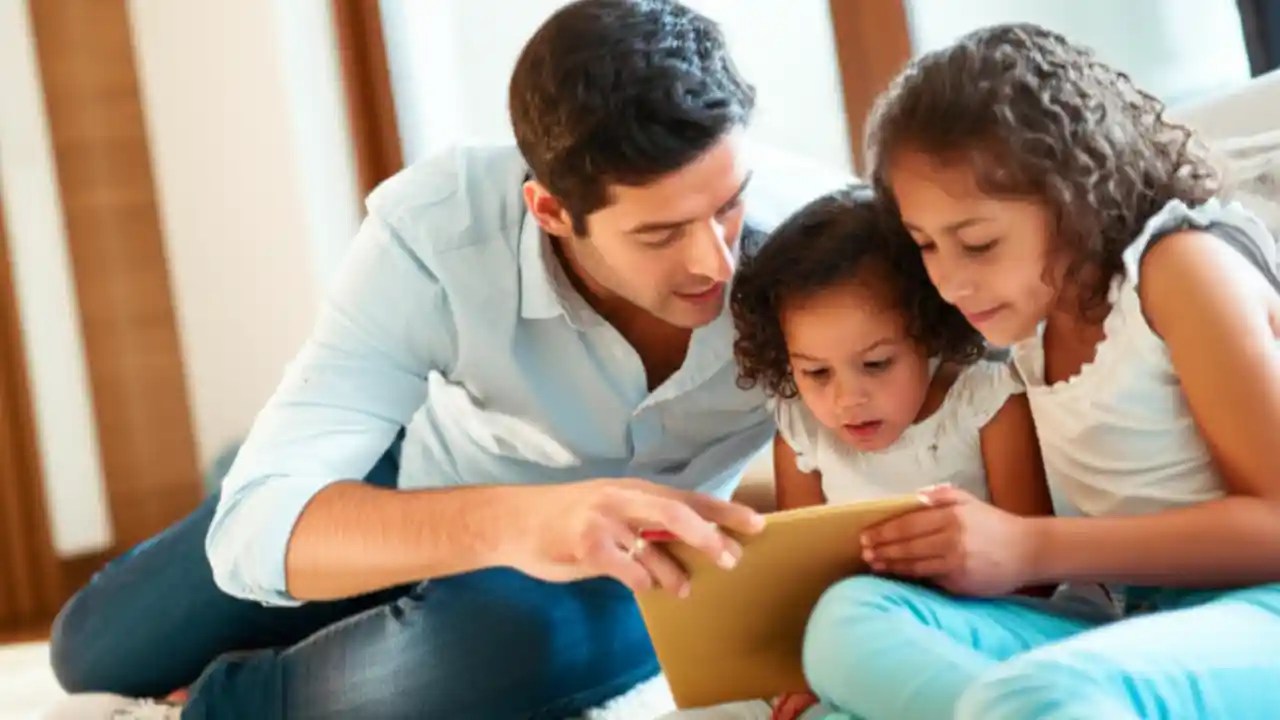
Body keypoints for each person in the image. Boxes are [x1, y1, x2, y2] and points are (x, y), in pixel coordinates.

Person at [45, 1, 844, 718]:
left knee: (498, 653)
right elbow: (255, 530)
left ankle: (231, 702)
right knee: (92, 653)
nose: (717, 262)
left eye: (730, 204)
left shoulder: (829, 240)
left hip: (635, 558)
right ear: (552, 211)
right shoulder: (438, 227)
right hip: (429, 480)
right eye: (660, 234)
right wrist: (518, 523)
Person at [802, 23, 1280, 720]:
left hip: (1260, 614)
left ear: (1074, 197)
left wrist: (1031, 547)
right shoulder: (1029, 318)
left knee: (1049, 695)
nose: (950, 282)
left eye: (978, 242)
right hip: (1123, 625)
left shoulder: (1180, 270)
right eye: (926, 245)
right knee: (845, 622)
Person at [728, 186, 1051, 720]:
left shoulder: (986, 403)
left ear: (928, 331)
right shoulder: (803, 429)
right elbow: (803, 576)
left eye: (876, 364)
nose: (846, 399)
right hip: (855, 636)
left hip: (986, 628)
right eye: (815, 372)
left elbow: (1036, 579)